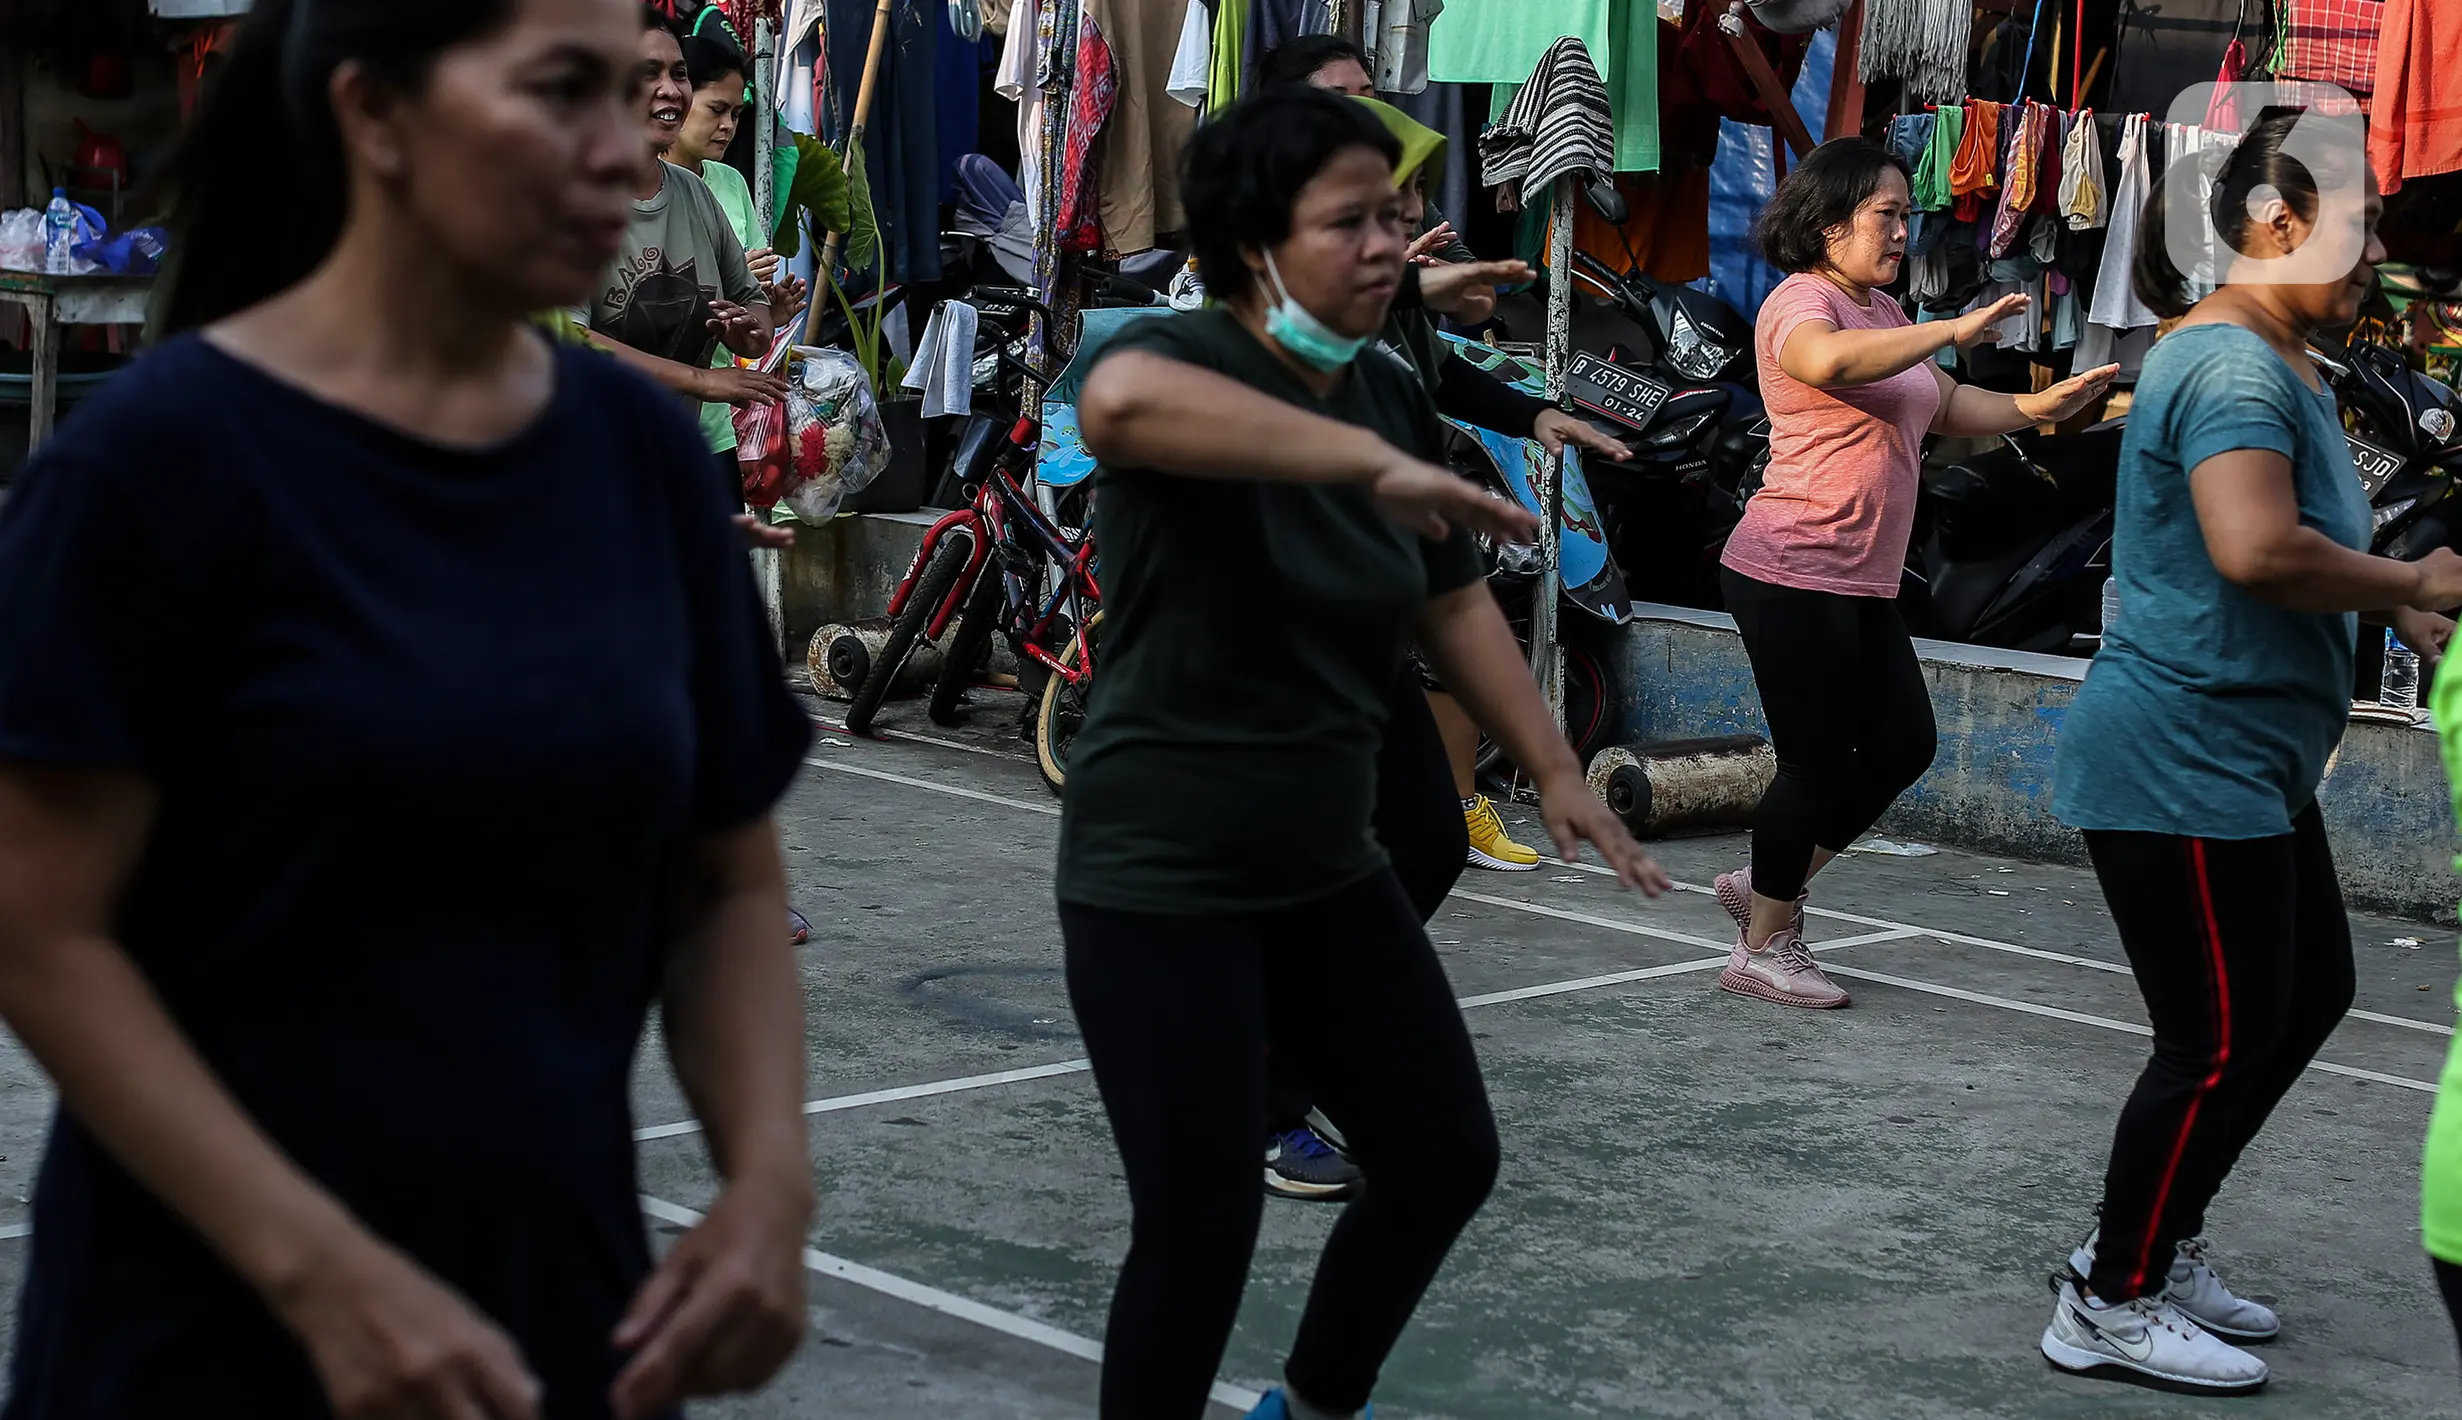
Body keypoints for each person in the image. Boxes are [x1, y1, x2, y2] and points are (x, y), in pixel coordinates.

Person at [0, 1, 817, 1416]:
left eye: (634, 96)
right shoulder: (155, 471)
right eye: (563, 93)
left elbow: (724, 882)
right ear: (376, 115)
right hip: (212, 1330)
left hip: (556, 1315)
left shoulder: (633, 463)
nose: (627, 155)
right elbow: (37, 925)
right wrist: (322, 1276)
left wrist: (768, 1181)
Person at [1062, 87, 1672, 1420]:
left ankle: (1313, 1403)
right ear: (1247, 243)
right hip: (1160, 873)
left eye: (1395, 216)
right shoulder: (1177, 357)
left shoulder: (1391, 396)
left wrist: (1553, 770)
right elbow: (1115, 409)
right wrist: (1353, 461)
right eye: (1349, 221)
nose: (1390, 243)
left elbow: (1451, 605)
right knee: (1199, 1224)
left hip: (1320, 866)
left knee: (1443, 1157)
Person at [2043, 111, 2462, 1392]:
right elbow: (2250, 548)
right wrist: (2406, 571)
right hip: (2180, 756)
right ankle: (2106, 1295)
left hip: (2245, 763)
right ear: (2277, 223)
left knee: (2307, 992)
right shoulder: (2226, 368)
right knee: (2214, 1037)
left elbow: (2293, 549)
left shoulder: (2284, 368)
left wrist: (2402, 609)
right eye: (2362, 223)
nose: (2376, 252)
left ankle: (2154, 1243)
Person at [1714, 137, 2117, 1009]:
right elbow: (1827, 364)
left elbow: (1937, 402)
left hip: (1859, 575)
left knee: (1904, 743)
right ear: (1827, 228)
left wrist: (2039, 408)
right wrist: (1954, 328)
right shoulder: (1801, 304)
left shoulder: (1884, 310)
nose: (1903, 230)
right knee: (1812, 763)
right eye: (1885, 216)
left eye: (1905, 214)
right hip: (1791, 565)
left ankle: (1766, 883)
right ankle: (1763, 947)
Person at [572, 6, 785, 495]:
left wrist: (752, 332)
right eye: (648, 74)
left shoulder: (695, 193)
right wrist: (704, 381)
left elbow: (750, 298)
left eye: (679, 74)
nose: (671, 89)